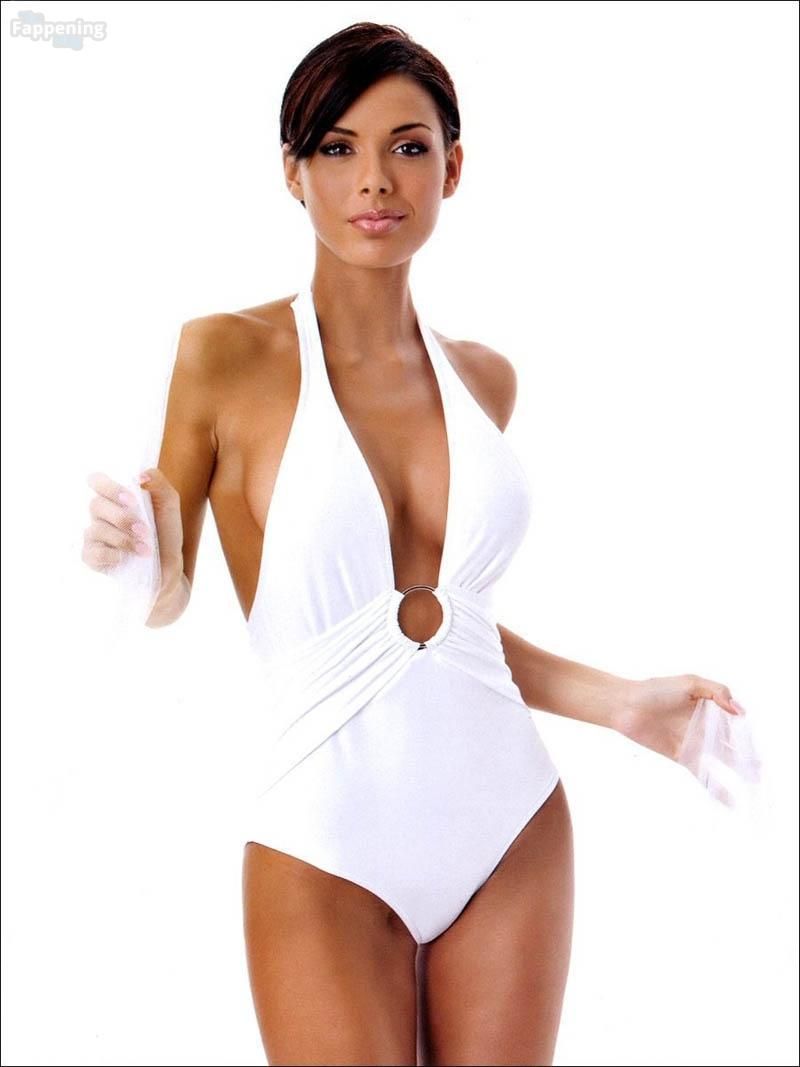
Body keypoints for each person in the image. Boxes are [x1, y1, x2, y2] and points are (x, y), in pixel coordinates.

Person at [81, 22, 755, 1066]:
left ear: (452, 165)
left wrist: (623, 703)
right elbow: (172, 590)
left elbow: (440, 629)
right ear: (292, 172)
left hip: (512, 824)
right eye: (336, 147)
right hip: (324, 835)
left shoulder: (485, 378)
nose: (374, 179)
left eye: (407, 145)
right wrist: (140, 555)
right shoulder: (223, 355)